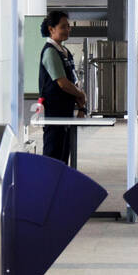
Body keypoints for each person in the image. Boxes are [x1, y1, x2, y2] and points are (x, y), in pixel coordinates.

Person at [38, 10, 87, 163]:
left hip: (65, 111)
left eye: (69, 26)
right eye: (63, 27)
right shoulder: (50, 52)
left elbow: (73, 80)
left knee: (64, 154)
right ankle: (48, 186)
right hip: (54, 112)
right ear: (51, 29)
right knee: (53, 155)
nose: (68, 30)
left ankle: (60, 186)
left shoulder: (64, 51)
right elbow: (63, 83)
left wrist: (80, 104)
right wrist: (80, 95)